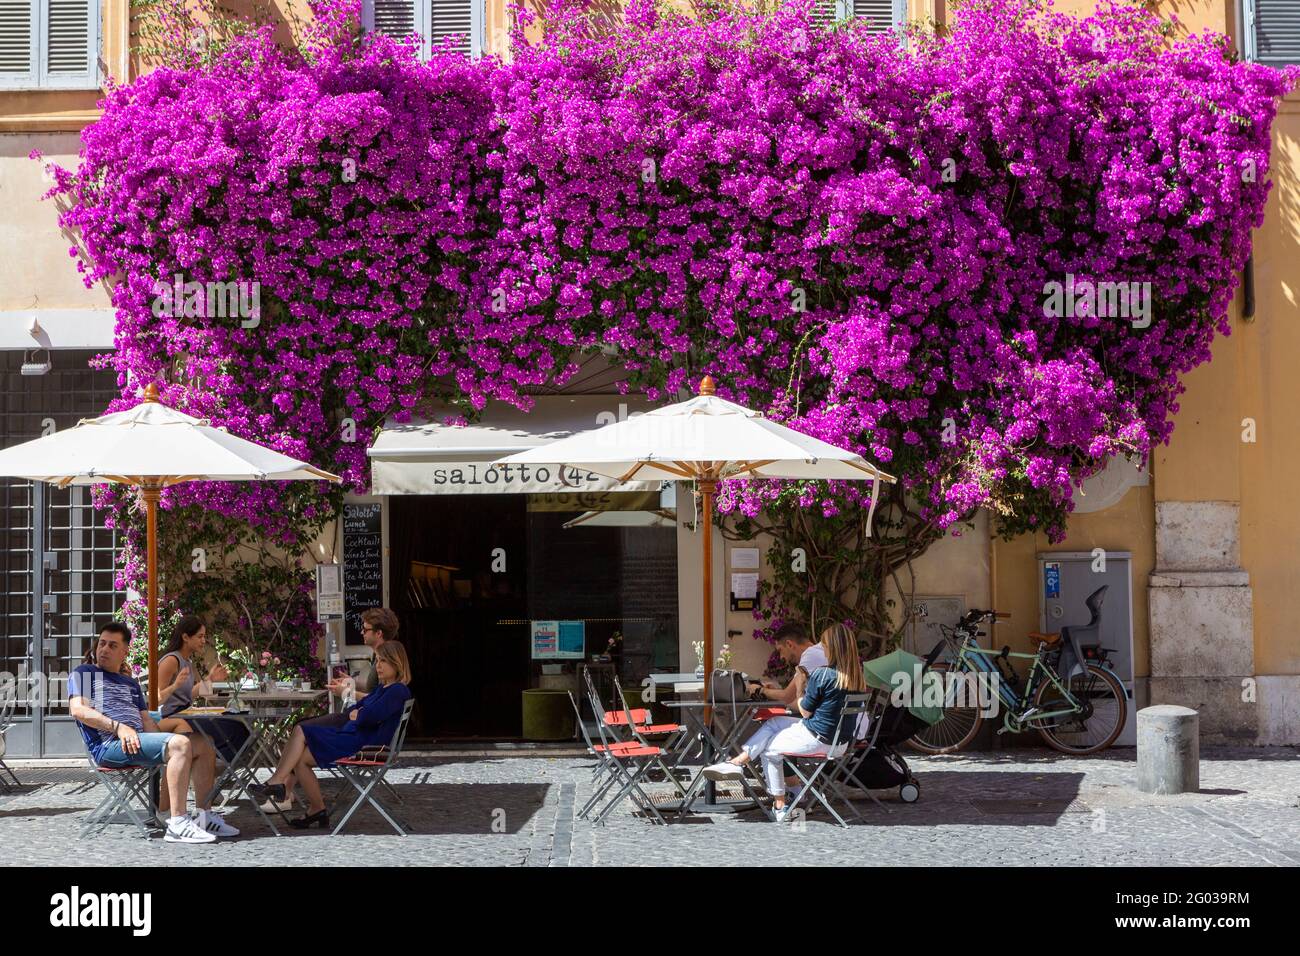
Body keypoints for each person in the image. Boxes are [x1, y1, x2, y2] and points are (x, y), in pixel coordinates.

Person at [68, 622, 237, 843]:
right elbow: (78, 709)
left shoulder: (130, 682)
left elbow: (146, 719)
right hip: (109, 745)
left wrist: (161, 740)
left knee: (204, 743)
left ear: (124, 651)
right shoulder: (86, 673)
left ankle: (204, 817)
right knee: (180, 744)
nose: (104, 650)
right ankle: (177, 823)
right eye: (102, 644)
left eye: (112, 645)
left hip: (138, 740)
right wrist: (118, 727)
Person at [703, 623, 867, 822]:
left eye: (824, 645)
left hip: (819, 738)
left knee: (770, 749)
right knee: (775, 723)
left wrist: (800, 687)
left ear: (831, 647)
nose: (821, 648)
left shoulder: (822, 675)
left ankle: (780, 806)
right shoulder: (857, 678)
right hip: (841, 742)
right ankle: (736, 762)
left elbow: (805, 711)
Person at [249, 641, 412, 830]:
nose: (379, 666)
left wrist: (360, 714)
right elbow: (356, 710)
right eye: (378, 661)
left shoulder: (397, 690)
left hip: (363, 744)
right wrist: (359, 713)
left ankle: (278, 782)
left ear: (397, 662)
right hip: (356, 736)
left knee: (301, 729)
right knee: (301, 758)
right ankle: (316, 809)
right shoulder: (384, 689)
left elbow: (368, 716)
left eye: (384, 661)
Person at [154, 615, 248, 823]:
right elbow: (155, 699)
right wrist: (175, 686)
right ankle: (201, 779)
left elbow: (190, 694)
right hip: (170, 718)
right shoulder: (171, 660)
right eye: (200, 636)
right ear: (185, 637)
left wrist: (210, 680)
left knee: (239, 731)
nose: (203, 641)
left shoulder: (186, 661)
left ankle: (207, 774)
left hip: (186, 712)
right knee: (231, 732)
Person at [746, 621, 827, 706]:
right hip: (826, 716)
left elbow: (786, 697)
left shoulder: (809, 657)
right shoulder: (817, 651)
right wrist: (775, 692)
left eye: (780, 650)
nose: (781, 657)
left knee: (769, 719)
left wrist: (759, 690)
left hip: (822, 718)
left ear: (789, 644)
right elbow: (800, 703)